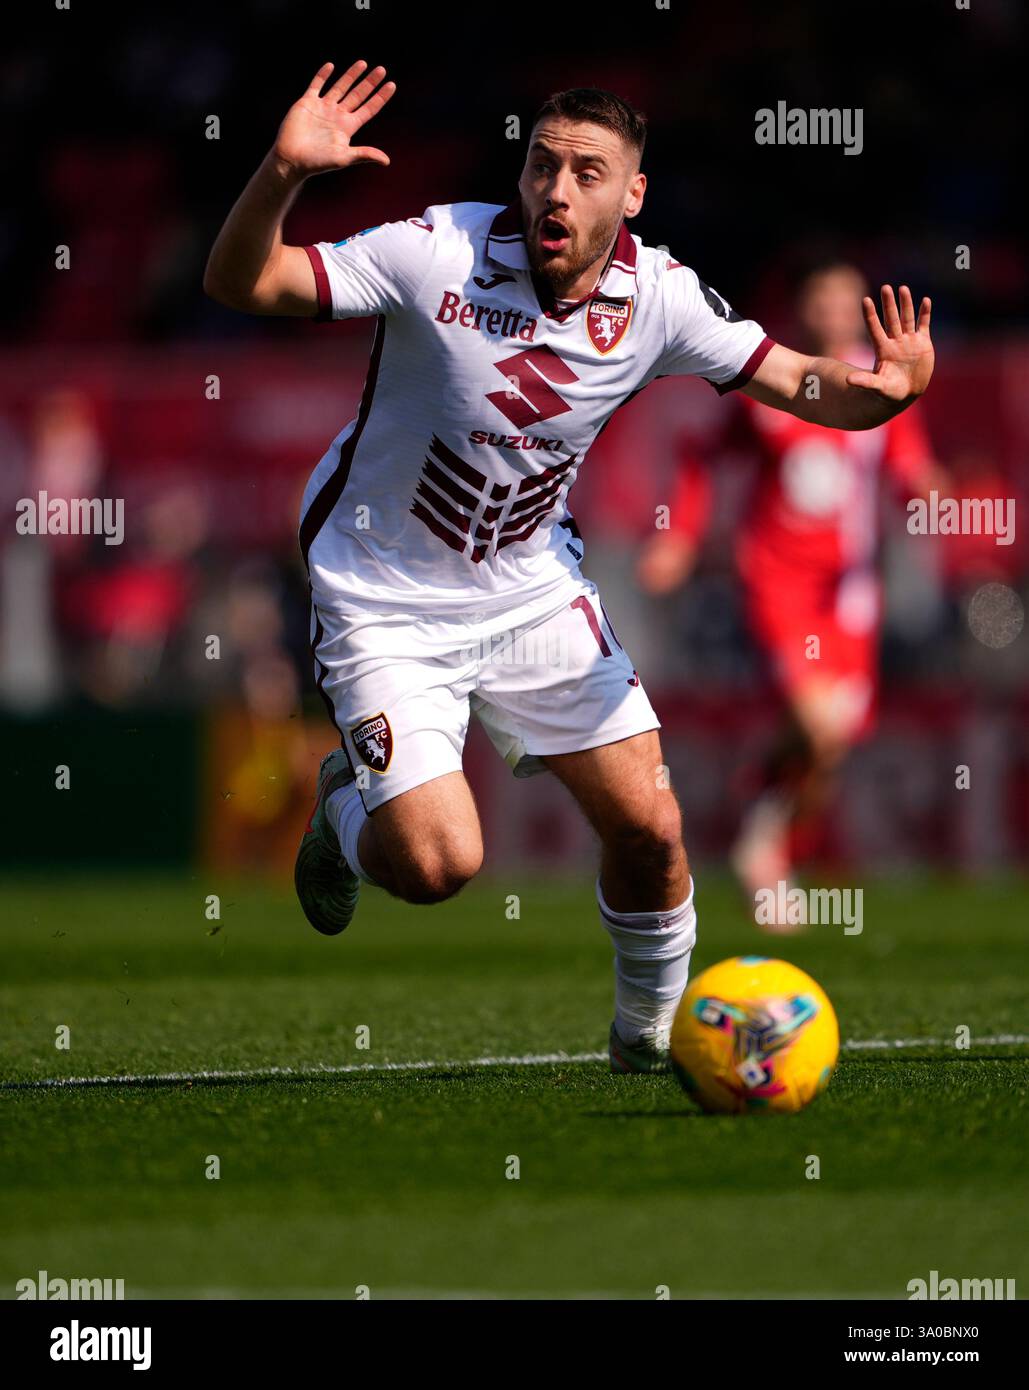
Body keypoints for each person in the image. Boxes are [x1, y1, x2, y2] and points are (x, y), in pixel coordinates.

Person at [203, 61, 935, 1067]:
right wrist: (282, 172)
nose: (557, 190)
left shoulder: (662, 296)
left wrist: (886, 393)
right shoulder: (437, 251)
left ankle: (648, 1042)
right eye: (542, 166)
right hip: (384, 592)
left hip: (528, 584)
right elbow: (242, 281)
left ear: (631, 195)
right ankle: (343, 807)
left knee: (652, 827)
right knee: (436, 863)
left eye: (588, 172)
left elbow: (802, 380)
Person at [638, 264, 939, 926]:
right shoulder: (778, 384)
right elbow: (701, 454)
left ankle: (765, 836)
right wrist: (680, 538)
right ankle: (765, 848)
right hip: (776, 582)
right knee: (815, 724)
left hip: (848, 594)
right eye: (819, 299)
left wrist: (945, 505)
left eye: (843, 299)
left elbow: (912, 474)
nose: (832, 312)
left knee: (827, 749)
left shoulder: (878, 390)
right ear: (801, 309)